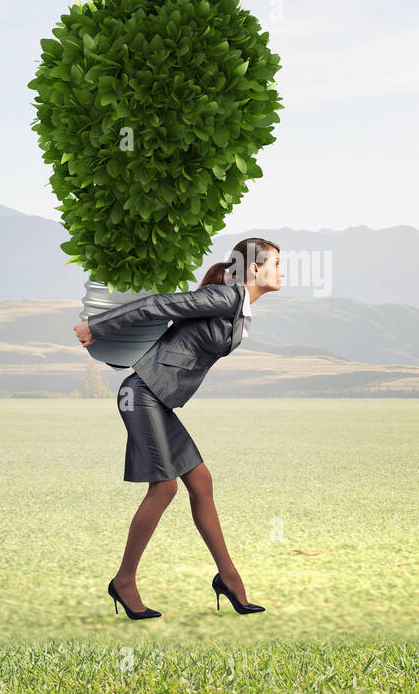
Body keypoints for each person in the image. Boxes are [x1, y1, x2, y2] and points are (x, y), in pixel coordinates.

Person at [73, 238, 282, 619]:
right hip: (142, 393)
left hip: (158, 398)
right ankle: (123, 581)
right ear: (254, 268)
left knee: (200, 482)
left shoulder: (237, 305)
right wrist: (96, 327)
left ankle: (229, 578)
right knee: (165, 487)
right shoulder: (225, 297)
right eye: (276, 264)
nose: (281, 272)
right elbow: (159, 304)